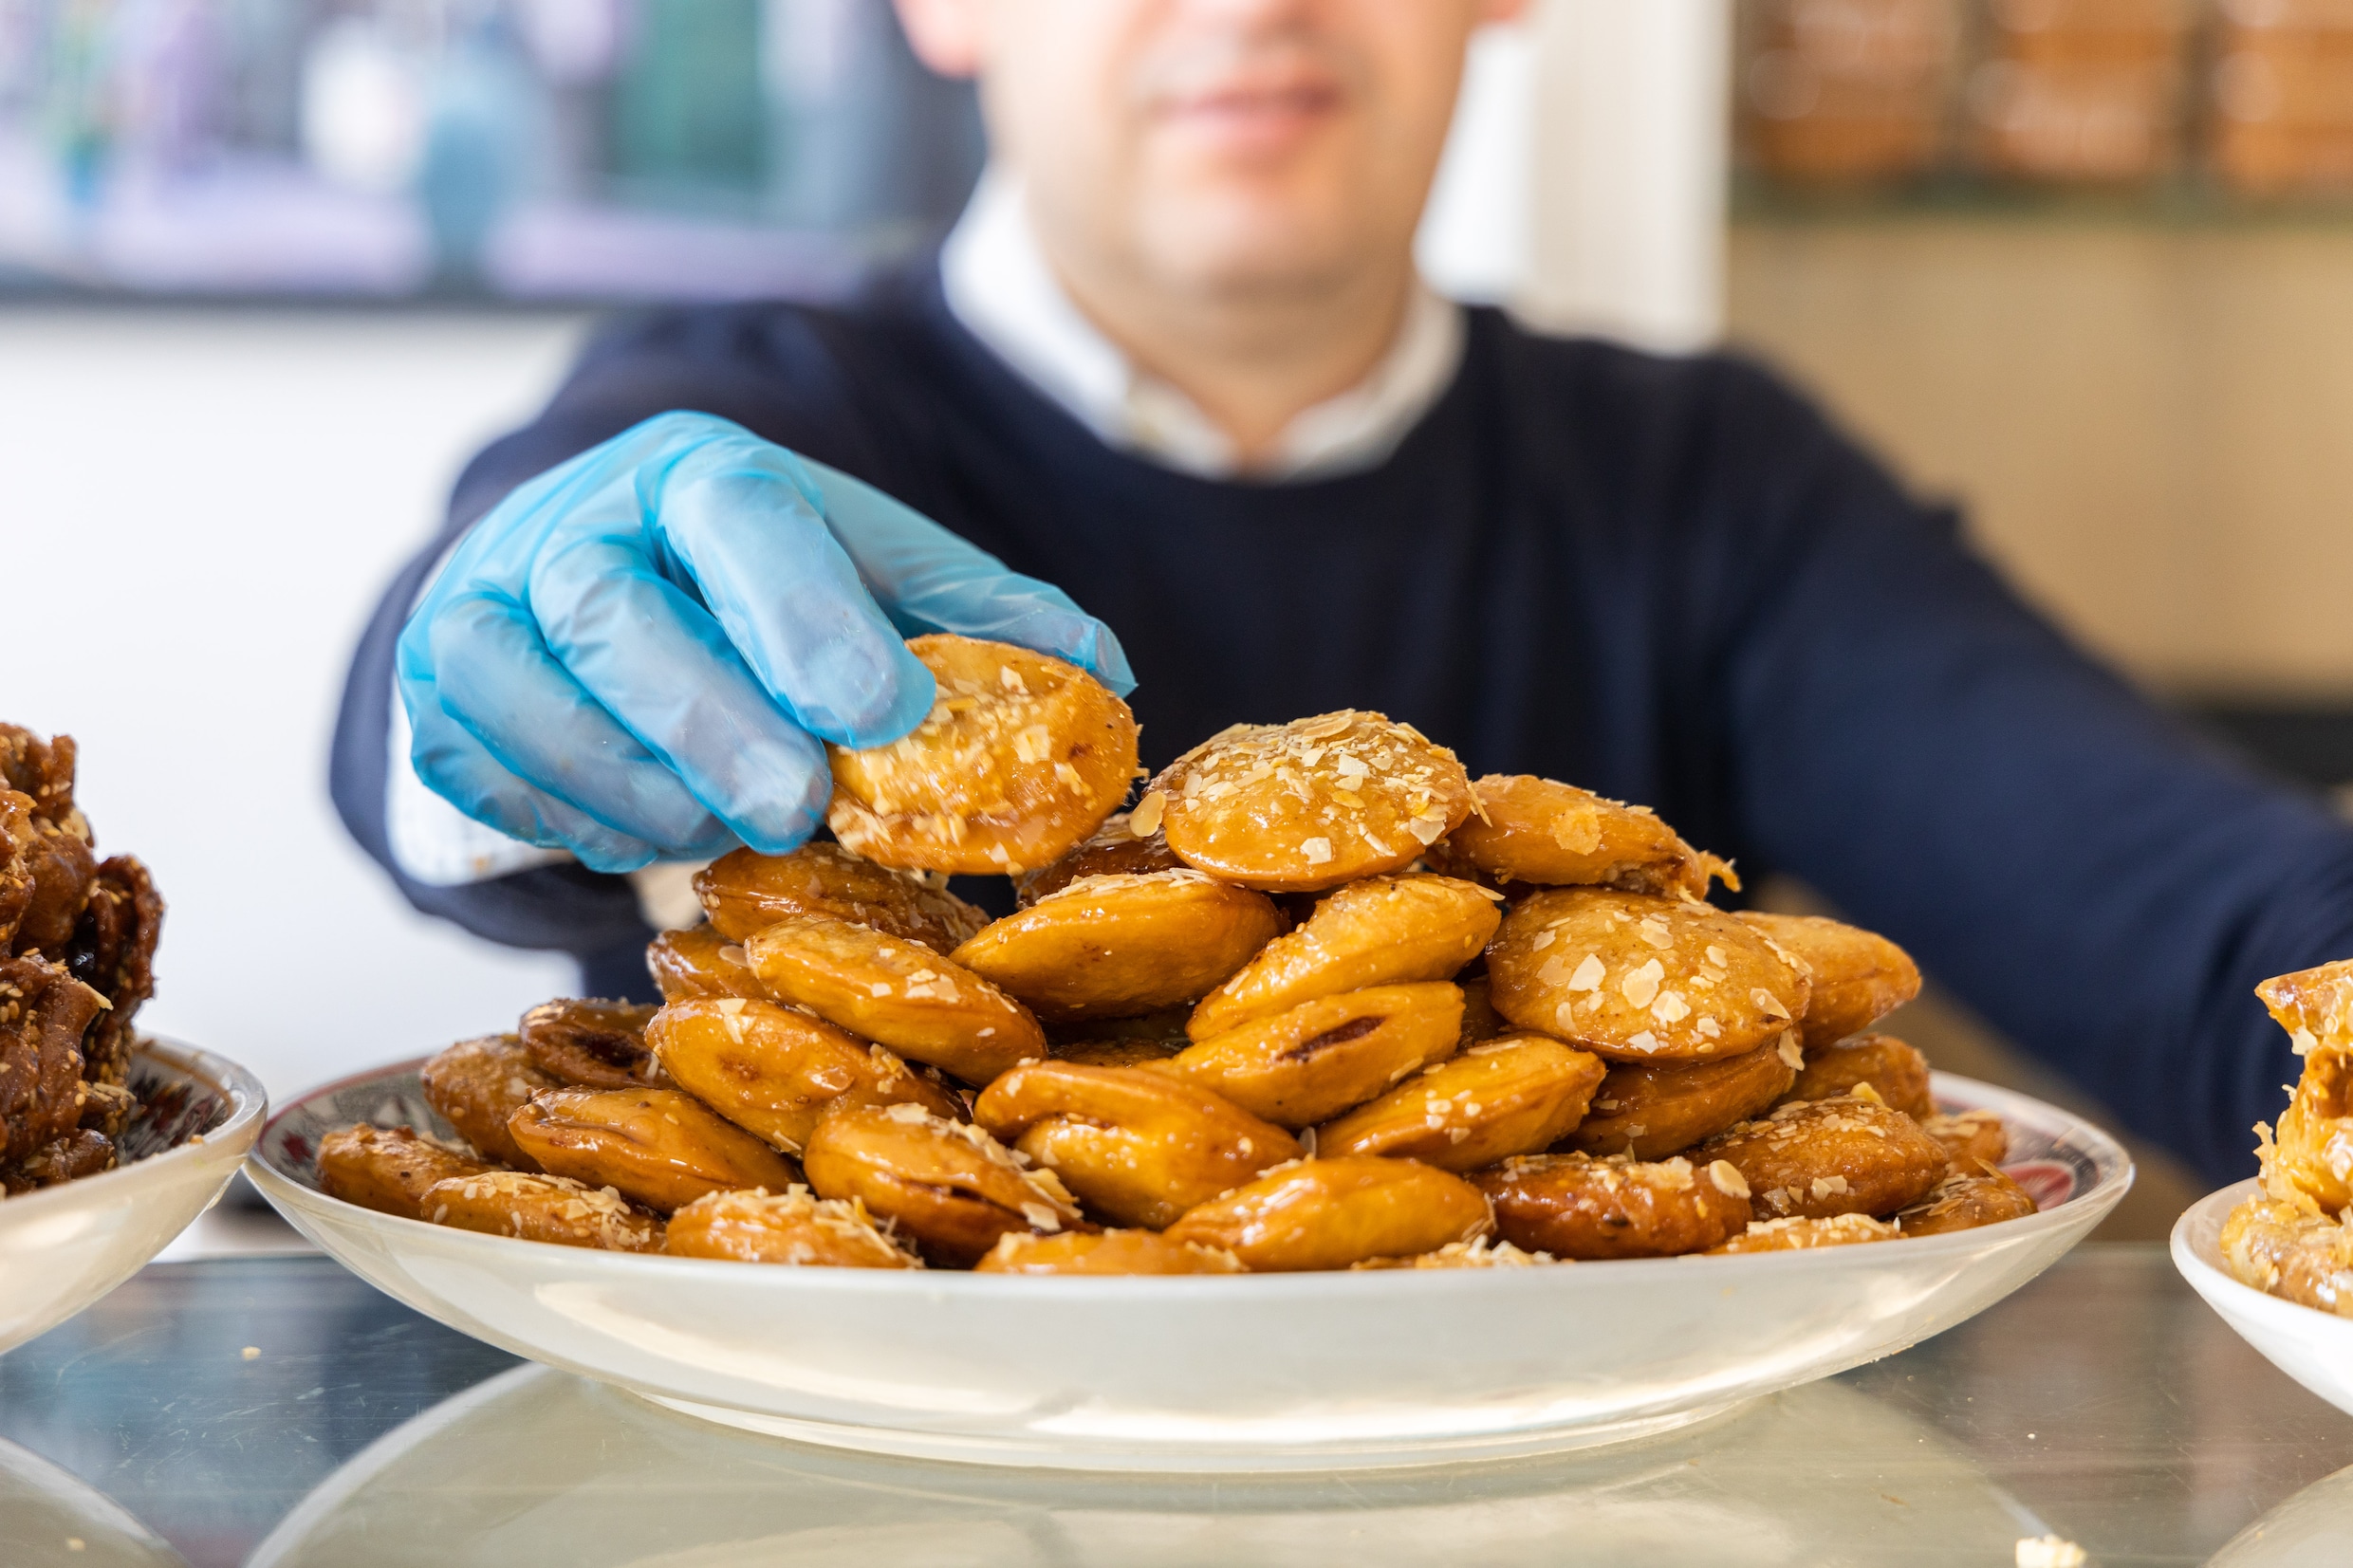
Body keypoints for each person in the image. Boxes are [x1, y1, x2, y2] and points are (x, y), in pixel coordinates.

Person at [331, 0, 2353, 1190]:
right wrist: (490, 686)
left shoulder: (1700, 486)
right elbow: (426, 746)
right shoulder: (755, 409)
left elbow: (2199, 926)